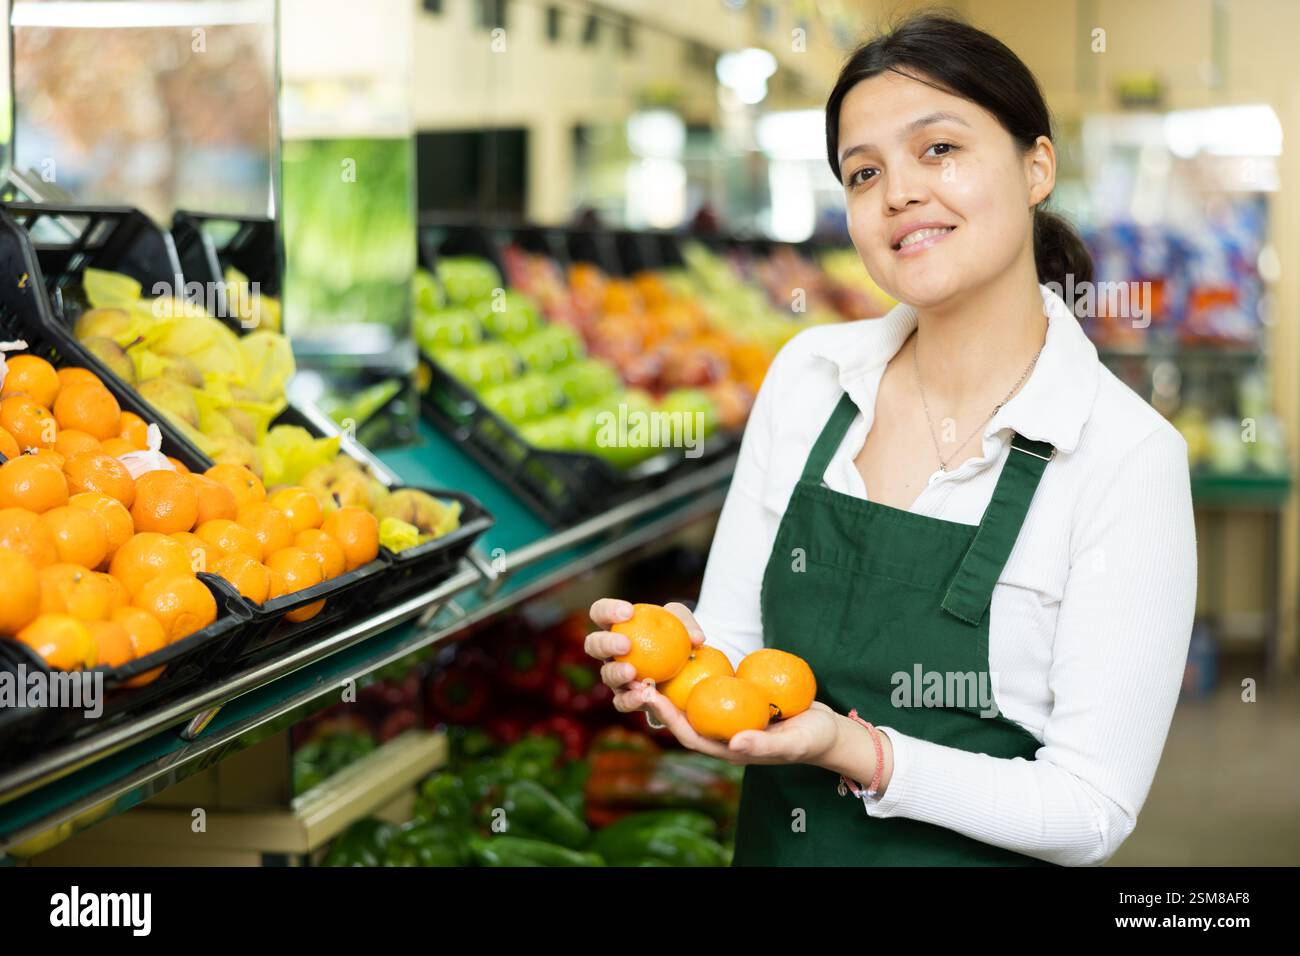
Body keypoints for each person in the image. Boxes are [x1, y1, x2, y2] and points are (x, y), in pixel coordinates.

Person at [585, 13, 1196, 866]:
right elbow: (732, 651)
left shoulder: (1125, 457)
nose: (898, 192)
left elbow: (1091, 809)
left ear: (1036, 167)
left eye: (938, 149)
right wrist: (669, 658)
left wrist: (852, 749)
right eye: (862, 172)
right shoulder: (809, 378)